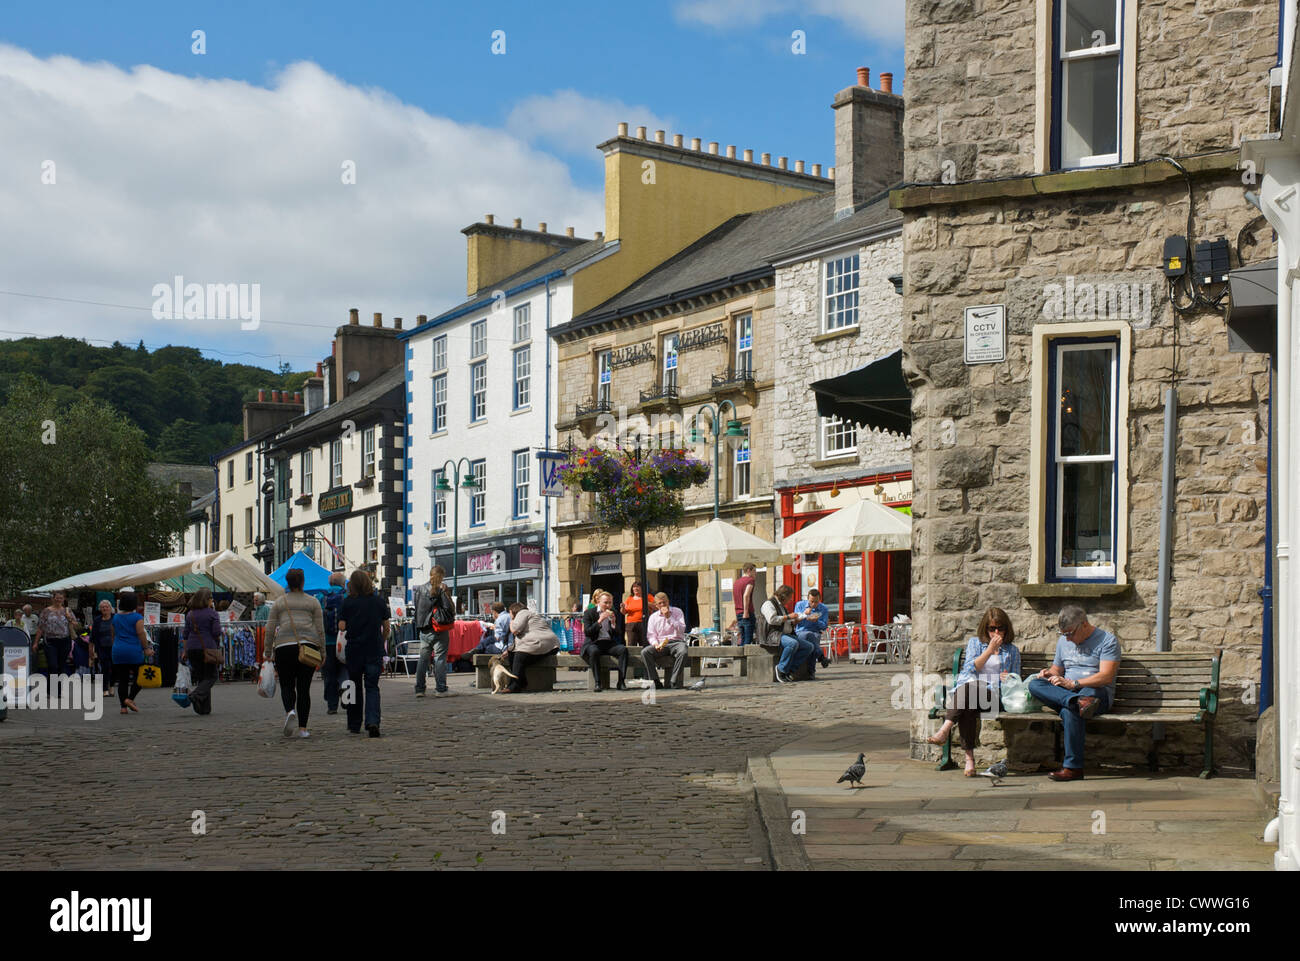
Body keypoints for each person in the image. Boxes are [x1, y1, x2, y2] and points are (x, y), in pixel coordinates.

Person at [1027, 604, 1121, 782]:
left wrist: (1074, 684)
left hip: (1096, 692)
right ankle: (1076, 701)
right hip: (1073, 694)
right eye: (1064, 634)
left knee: (1075, 707)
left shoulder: (1107, 641)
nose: (1067, 639)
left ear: (1084, 624)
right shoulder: (1064, 641)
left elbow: (1106, 677)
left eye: (1070, 633)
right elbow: (1057, 669)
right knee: (1035, 685)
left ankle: (1073, 768)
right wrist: (1049, 674)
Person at [927, 607, 1022, 776]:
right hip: (970, 693)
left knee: (969, 691)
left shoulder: (1012, 650)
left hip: (993, 696)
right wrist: (989, 650)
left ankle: (945, 729)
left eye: (1001, 628)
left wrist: (1008, 679)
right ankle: (969, 759)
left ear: (1007, 629)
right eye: (992, 628)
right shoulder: (975, 644)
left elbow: (1017, 680)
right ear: (985, 628)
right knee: (969, 704)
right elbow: (970, 669)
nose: (996, 632)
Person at [264, 568, 325, 738]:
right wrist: (323, 652)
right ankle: (303, 729)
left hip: (283, 646)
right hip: (308, 646)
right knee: (304, 688)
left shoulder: (279, 602)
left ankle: (290, 710)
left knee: (286, 684)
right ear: (303, 582)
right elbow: (320, 629)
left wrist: (267, 651)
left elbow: (269, 629)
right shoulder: (313, 602)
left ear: (288, 583)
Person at [339, 569, 391, 736]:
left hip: (354, 649)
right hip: (373, 649)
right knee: (372, 687)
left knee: (354, 686)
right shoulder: (378, 601)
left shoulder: (347, 602)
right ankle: (373, 721)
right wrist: (381, 639)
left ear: (352, 585)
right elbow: (387, 628)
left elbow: (341, 626)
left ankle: (354, 724)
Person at [412, 565, 456, 697]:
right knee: (440, 659)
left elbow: (417, 608)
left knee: (423, 659)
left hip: (424, 629)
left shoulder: (420, 589)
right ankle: (440, 689)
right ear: (441, 576)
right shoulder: (441, 589)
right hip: (438, 628)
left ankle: (420, 689)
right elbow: (449, 609)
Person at [760, 585, 814, 683]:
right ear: (783, 596)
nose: (790, 600)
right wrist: (788, 616)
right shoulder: (768, 604)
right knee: (792, 643)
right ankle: (781, 669)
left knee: (809, 646)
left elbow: (786, 622)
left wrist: (795, 621)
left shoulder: (782, 606)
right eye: (789, 598)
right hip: (773, 635)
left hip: (784, 634)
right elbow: (772, 620)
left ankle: (790, 670)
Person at [110, 592, 153, 715]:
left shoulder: (116, 617)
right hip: (133, 650)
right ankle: (130, 699)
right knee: (140, 677)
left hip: (118, 650)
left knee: (123, 680)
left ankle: (123, 707)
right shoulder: (137, 617)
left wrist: (116, 646)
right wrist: (146, 648)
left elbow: (112, 634)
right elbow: (141, 633)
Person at [503, 603, 560, 694]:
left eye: (510, 613)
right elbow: (522, 638)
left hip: (538, 643)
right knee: (513, 654)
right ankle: (520, 682)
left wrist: (512, 622)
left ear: (513, 611)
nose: (510, 616)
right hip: (551, 645)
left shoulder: (522, 612)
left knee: (519, 656)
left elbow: (515, 630)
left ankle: (515, 686)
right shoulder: (533, 615)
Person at [182, 587, 222, 716]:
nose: (212, 601)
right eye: (211, 599)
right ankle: (195, 695)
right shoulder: (212, 614)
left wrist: (185, 651)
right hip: (207, 648)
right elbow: (216, 632)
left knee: (202, 678)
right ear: (207, 600)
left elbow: (185, 634)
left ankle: (204, 708)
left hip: (192, 648)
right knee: (212, 676)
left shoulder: (190, 614)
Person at [582, 590, 628, 692]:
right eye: (605, 602)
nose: (608, 605)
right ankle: (598, 683)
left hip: (608, 642)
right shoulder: (589, 613)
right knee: (594, 652)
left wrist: (613, 623)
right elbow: (587, 632)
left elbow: (618, 633)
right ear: (599, 602)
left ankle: (621, 682)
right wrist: (600, 620)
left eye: (610, 603)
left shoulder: (614, 613)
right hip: (593, 642)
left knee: (623, 650)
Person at [641, 592, 689, 690]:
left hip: (676, 641)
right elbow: (651, 635)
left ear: (668, 601)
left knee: (683, 651)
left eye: (664, 602)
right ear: (656, 605)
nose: (663, 605)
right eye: (660, 603)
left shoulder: (677, 612)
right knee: (645, 652)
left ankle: (674, 680)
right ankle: (655, 680)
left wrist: (669, 618)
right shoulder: (653, 617)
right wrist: (655, 644)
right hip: (661, 643)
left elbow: (681, 629)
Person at [34, 591, 79, 679]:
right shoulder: (46, 611)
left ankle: (60, 689)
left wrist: (69, 618)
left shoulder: (67, 610)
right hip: (50, 642)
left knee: (62, 665)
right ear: (53, 598)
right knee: (52, 665)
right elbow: (40, 628)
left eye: (61, 598)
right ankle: (53, 689)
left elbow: (76, 624)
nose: (58, 600)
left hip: (65, 641)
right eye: (57, 598)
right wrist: (36, 642)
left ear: (63, 599)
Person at [319, 572, 347, 714]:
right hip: (345, 641)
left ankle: (332, 705)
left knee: (329, 673)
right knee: (346, 669)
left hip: (327, 641)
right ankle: (347, 696)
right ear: (343, 584)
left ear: (330, 583)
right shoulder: (348, 597)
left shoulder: (321, 597)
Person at [792, 588, 832, 678]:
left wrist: (816, 621)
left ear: (819, 600)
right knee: (808, 635)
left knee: (812, 637)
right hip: (801, 631)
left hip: (815, 632)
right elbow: (794, 622)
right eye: (811, 602)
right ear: (807, 599)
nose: (813, 604)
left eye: (816, 602)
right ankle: (819, 660)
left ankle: (812, 670)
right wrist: (804, 615)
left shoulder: (823, 608)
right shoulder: (800, 605)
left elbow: (824, 626)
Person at [459, 602, 512, 668]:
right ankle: (475, 650)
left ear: (494, 612)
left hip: (503, 647)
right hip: (509, 643)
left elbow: (497, 637)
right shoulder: (509, 615)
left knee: (487, 648)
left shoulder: (499, 619)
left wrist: (494, 629)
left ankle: (475, 652)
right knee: (489, 639)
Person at [88, 600, 115, 695]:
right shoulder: (97, 620)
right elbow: (92, 636)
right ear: (100, 609)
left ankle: (111, 686)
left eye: (106, 607)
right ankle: (105, 689)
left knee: (114, 667)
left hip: (114, 647)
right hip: (102, 647)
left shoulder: (115, 618)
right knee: (105, 667)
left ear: (110, 608)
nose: (104, 608)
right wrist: (91, 649)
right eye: (103, 607)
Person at [733, 564, 757, 647]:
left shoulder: (736, 582)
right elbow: (746, 595)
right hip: (747, 613)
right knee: (748, 639)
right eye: (754, 571)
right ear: (748, 571)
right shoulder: (750, 581)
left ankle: (741, 659)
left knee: (742, 638)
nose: (755, 573)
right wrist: (746, 612)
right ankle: (746, 659)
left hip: (738, 612)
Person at [620, 582, 646, 649]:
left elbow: (655, 607)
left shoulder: (647, 596)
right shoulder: (629, 598)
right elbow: (624, 612)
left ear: (641, 588)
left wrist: (646, 602)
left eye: (637, 587)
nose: (635, 588)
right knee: (631, 644)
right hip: (631, 624)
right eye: (634, 587)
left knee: (643, 643)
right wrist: (622, 607)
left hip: (643, 623)